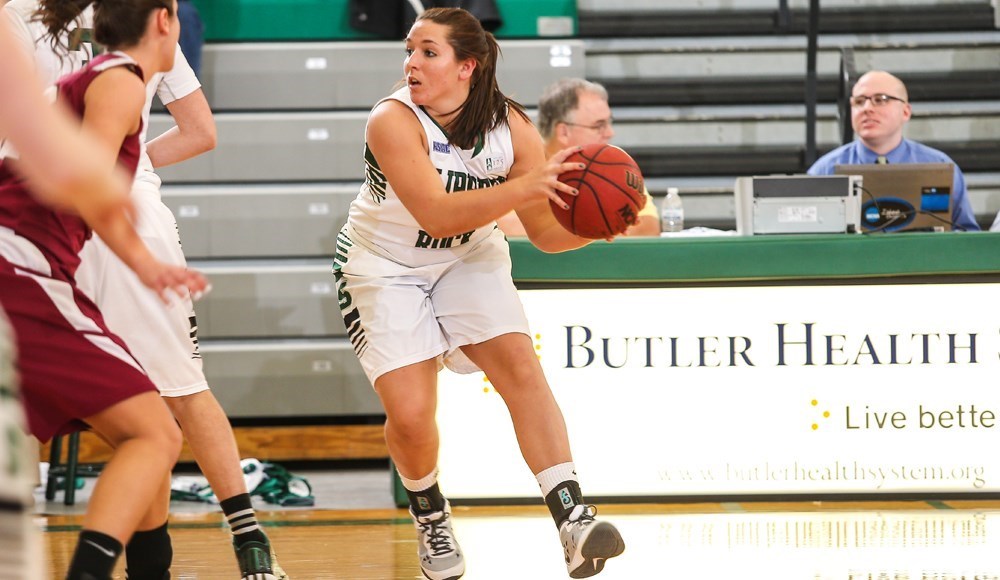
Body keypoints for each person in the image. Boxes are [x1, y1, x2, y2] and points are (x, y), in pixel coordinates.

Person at [332, 7, 625, 579]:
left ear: (467, 66)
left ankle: (574, 518)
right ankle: (429, 512)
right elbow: (437, 214)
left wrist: (597, 229)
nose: (411, 63)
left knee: (520, 367)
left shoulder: (511, 127)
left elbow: (542, 234)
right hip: (385, 264)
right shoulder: (391, 120)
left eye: (428, 52)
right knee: (413, 416)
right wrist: (522, 185)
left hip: (467, 256)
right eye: (410, 50)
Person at [3, 0, 288, 578]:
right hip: (39, 243)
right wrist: (137, 228)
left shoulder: (54, 34)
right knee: (169, 403)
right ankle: (245, 542)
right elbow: (97, 176)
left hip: (63, 228)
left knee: (143, 422)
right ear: (164, 21)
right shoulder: (120, 73)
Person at [807, 70, 979, 231]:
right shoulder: (824, 172)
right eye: (859, 101)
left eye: (880, 99)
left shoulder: (940, 168)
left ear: (905, 112)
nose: (867, 108)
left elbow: (966, 235)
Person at [499, 77, 660, 237]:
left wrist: (590, 227)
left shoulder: (614, 169)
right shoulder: (520, 163)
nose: (610, 133)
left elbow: (649, 227)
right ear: (563, 132)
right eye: (599, 125)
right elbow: (503, 227)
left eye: (609, 123)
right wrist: (600, 226)